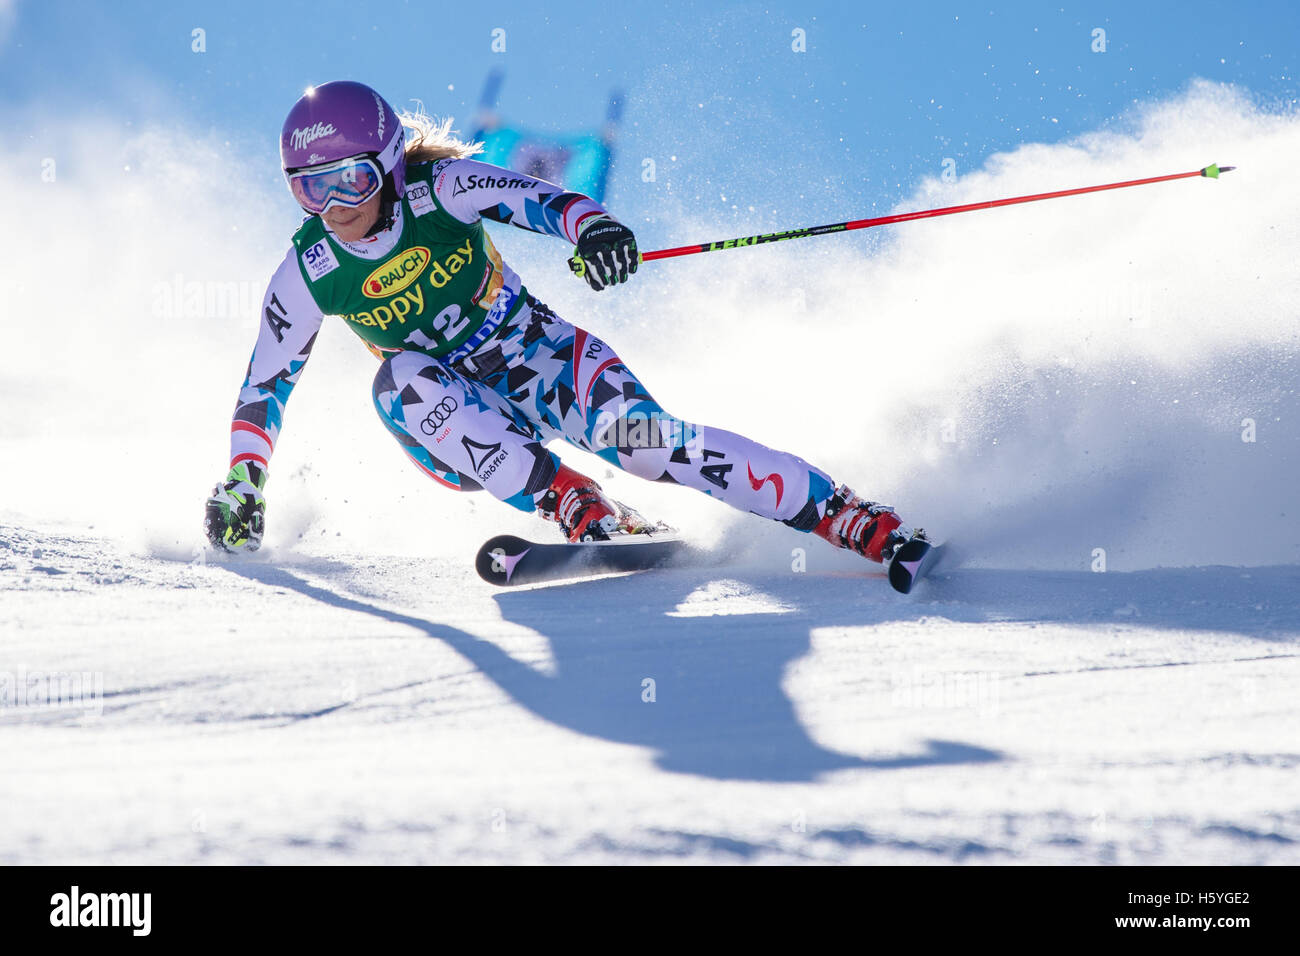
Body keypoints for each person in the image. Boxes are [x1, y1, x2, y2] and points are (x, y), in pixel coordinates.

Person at [204, 80, 921, 569]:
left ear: (389, 165)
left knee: (648, 447)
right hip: (457, 420)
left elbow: (542, 199)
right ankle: (571, 500)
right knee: (403, 381)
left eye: (350, 180)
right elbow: (265, 385)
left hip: (547, 363)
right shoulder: (310, 268)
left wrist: (594, 228)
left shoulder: (443, 190)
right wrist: (244, 481)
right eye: (310, 189)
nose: (334, 206)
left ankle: (846, 517)